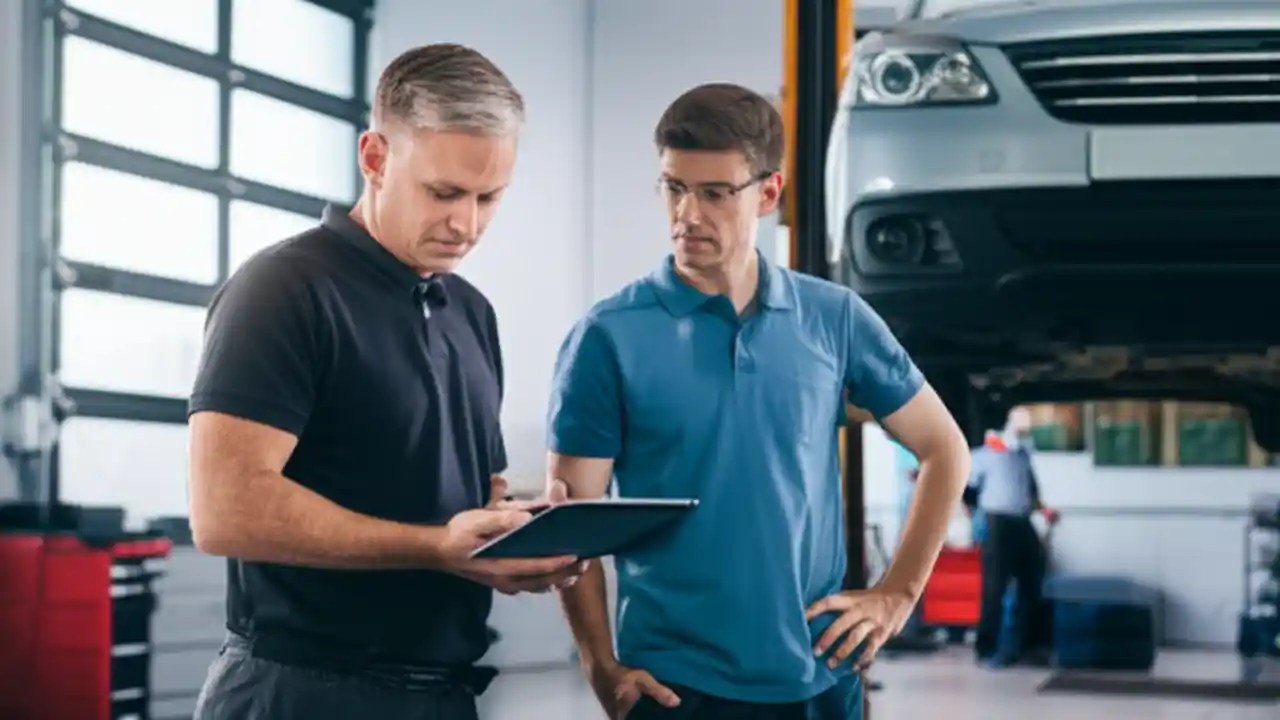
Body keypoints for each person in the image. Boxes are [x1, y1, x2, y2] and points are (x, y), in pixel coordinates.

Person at [545, 83, 972, 720]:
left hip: (822, 678)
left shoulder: (835, 320)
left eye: (715, 193)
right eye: (673, 186)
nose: (686, 214)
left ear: (767, 194)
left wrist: (898, 594)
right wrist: (599, 664)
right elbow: (571, 523)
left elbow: (945, 448)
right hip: (674, 688)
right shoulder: (607, 337)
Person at [186, 43, 585, 720]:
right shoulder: (283, 290)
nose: (468, 223)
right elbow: (226, 509)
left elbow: (461, 495)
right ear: (374, 158)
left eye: (490, 197)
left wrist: (513, 530)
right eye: (444, 192)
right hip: (299, 692)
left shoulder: (470, 312)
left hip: (442, 694)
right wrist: (438, 550)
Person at [966, 409, 1059, 667]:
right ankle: (986, 648)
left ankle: (1031, 646)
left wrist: (1044, 510)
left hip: (1022, 521)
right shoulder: (983, 456)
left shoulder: (1022, 458)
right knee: (994, 588)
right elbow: (967, 490)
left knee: (1033, 583)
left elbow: (1032, 491)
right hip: (998, 523)